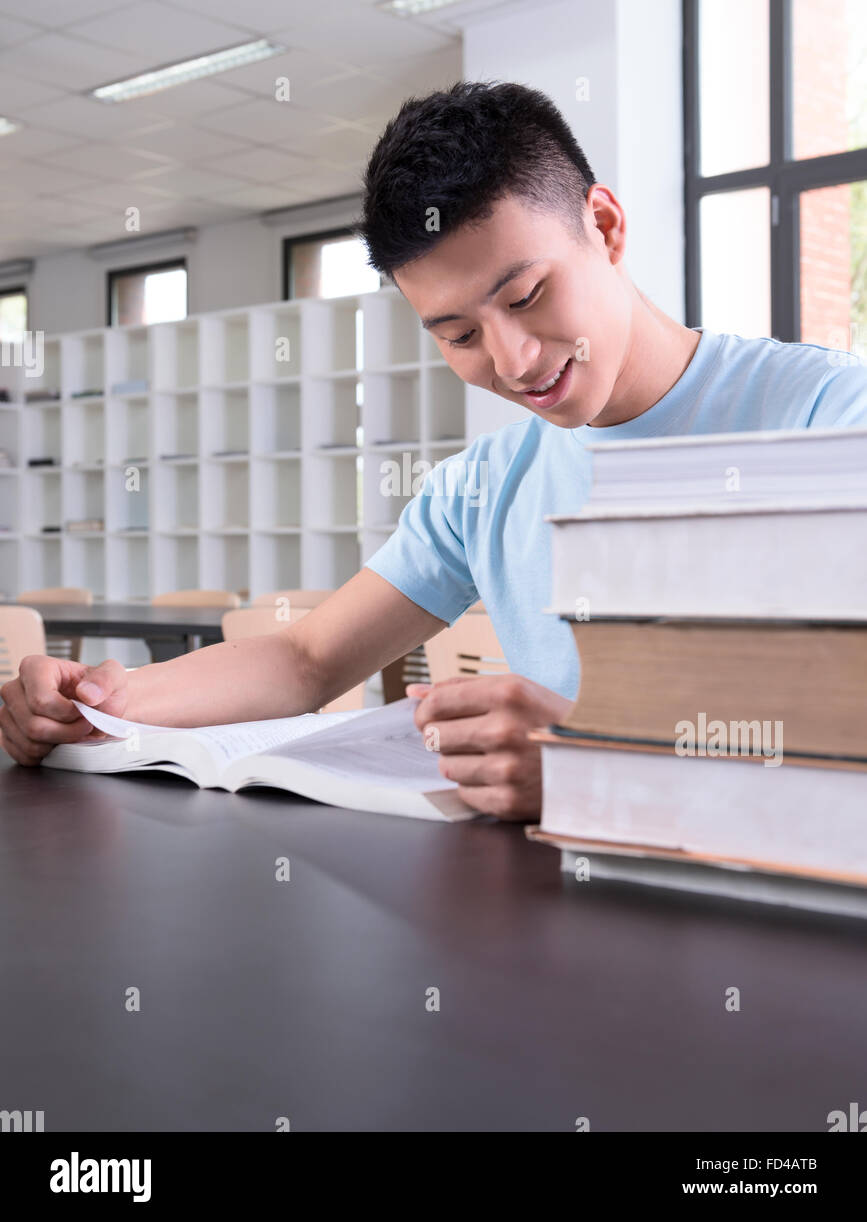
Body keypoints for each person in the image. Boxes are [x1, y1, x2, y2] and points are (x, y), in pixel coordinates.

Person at [3, 81, 866, 819]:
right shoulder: (484, 487)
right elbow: (307, 659)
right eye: (457, 334)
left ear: (602, 226)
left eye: (525, 295)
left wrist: (601, 757)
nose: (513, 360)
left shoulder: (830, 417)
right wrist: (99, 704)